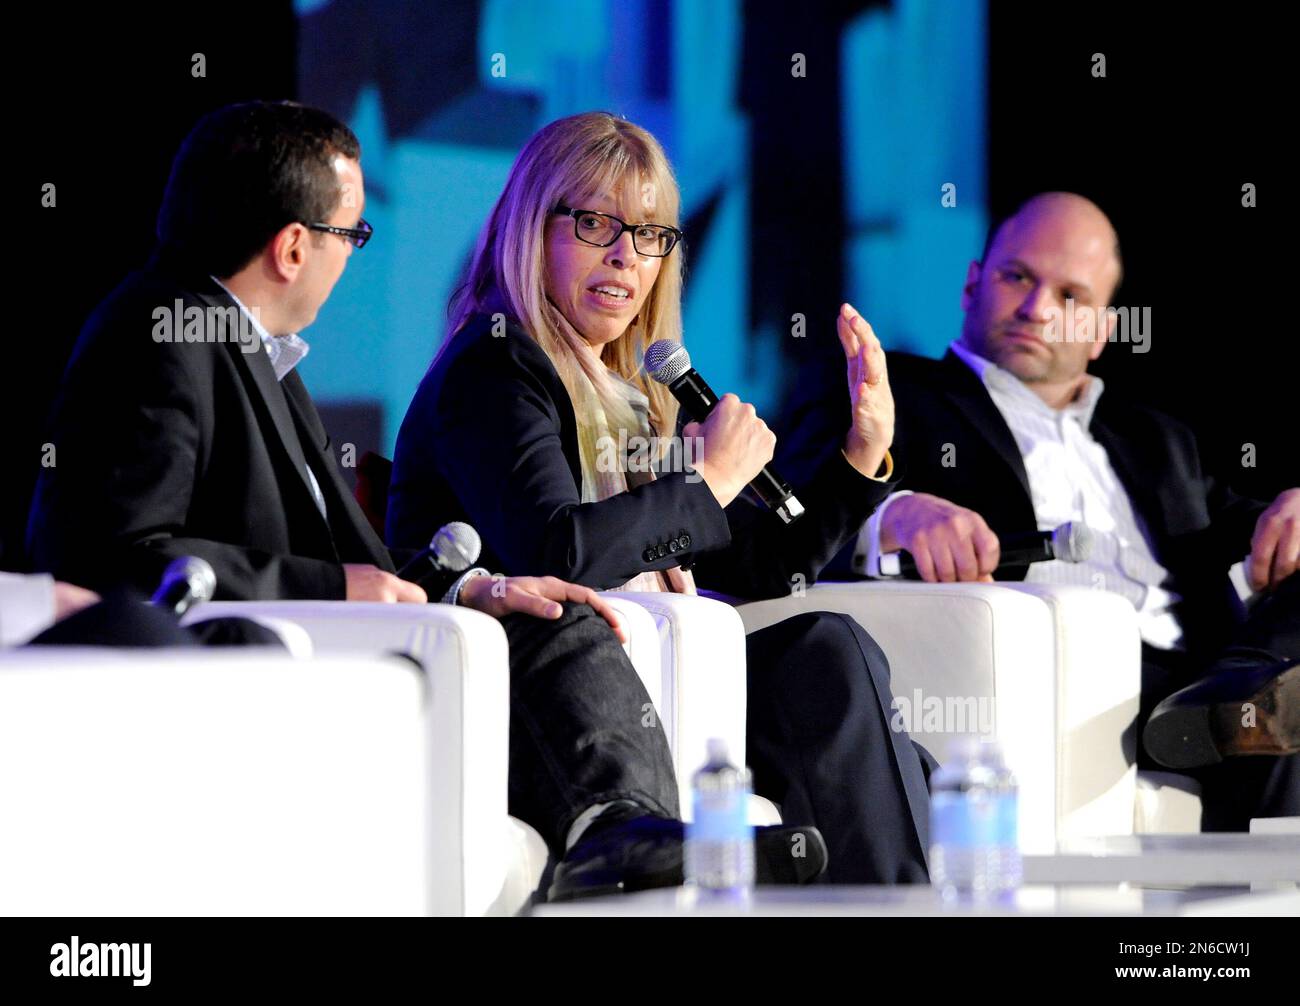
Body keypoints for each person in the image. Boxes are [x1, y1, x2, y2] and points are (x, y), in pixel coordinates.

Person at [23, 100, 818, 901]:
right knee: (554, 618)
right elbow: (116, 558)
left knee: (532, 605)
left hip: (338, 649)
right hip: (245, 671)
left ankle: (627, 828)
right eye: (351, 236)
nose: (352, 258)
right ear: (295, 246)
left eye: (649, 237)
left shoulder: (256, 354)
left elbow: (340, 555)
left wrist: (474, 585)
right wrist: (336, 588)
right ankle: (616, 828)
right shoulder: (162, 335)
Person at [387, 110, 934, 884]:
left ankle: (904, 901)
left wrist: (861, 454)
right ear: (530, 229)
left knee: (859, 694)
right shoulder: (495, 368)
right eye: (595, 223)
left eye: (650, 235)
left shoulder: (639, 396)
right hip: (550, 691)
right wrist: (704, 481)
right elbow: (554, 545)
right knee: (828, 664)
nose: (625, 256)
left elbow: (768, 565)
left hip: (656, 667)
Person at [780, 191, 1298, 829]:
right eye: (1016, 276)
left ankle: (1235, 700)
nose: (1035, 309)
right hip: (1072, 673)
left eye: (1070, 297)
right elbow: (789, 520)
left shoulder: (1157, 439)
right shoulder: (892, 391)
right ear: (973, 284)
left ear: (1103, 329)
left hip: (1199, 668)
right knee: (1277, 716)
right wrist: (893, 516)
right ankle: (1244, 708)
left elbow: (1246, 524)